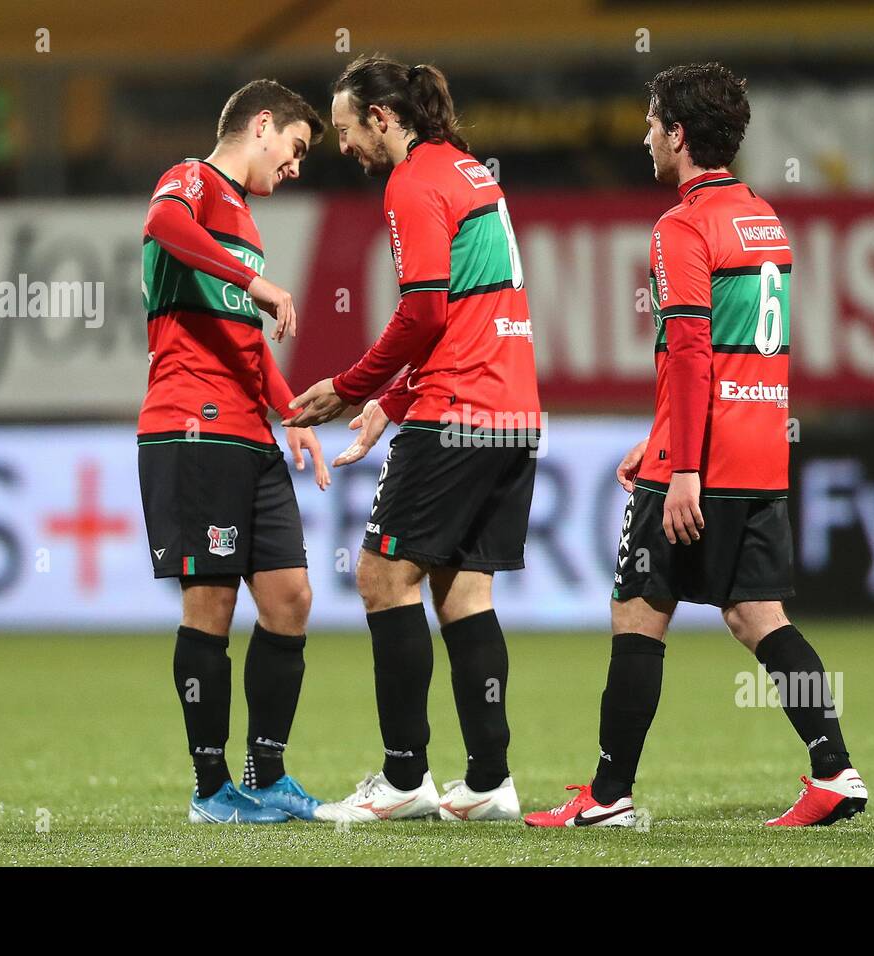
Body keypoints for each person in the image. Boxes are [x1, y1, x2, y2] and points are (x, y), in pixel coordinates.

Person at [525, 63, 867, 829]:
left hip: (701, 462)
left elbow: (691, 350)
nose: (645, 134)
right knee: (758, 617)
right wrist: (659, 441)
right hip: (759, 451)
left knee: (638, 613)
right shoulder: (764, 219)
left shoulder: (681, 226)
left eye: (652, 122)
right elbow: (746, 356)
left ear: (678, 135)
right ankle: (835, 770)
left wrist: (680, 467)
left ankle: (608, 797)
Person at [286, 56, 540, 823]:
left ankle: (403, 780)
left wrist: (352, 385)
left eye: (346, 129)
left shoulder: (414, 181)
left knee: (381, 577)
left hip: (458, 408)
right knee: (464, 590)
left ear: (384, 118)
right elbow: (462, 306)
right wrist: (394, 398)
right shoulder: (470, 174)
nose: (343, 147)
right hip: (513, 409)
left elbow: (426, 311)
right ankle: (490, 781)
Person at [137, 79, 331, 824]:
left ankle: (267, 772)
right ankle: (211, 789)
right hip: (191, 426)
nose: (296, 166)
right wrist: (255, 278)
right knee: (211, 604)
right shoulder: (191, 179)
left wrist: (292, 414)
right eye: (295, 148)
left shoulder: (244, 217)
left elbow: (240, 337)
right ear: (261, 125)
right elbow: (163, 222)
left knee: (291, 598)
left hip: (249, 432)